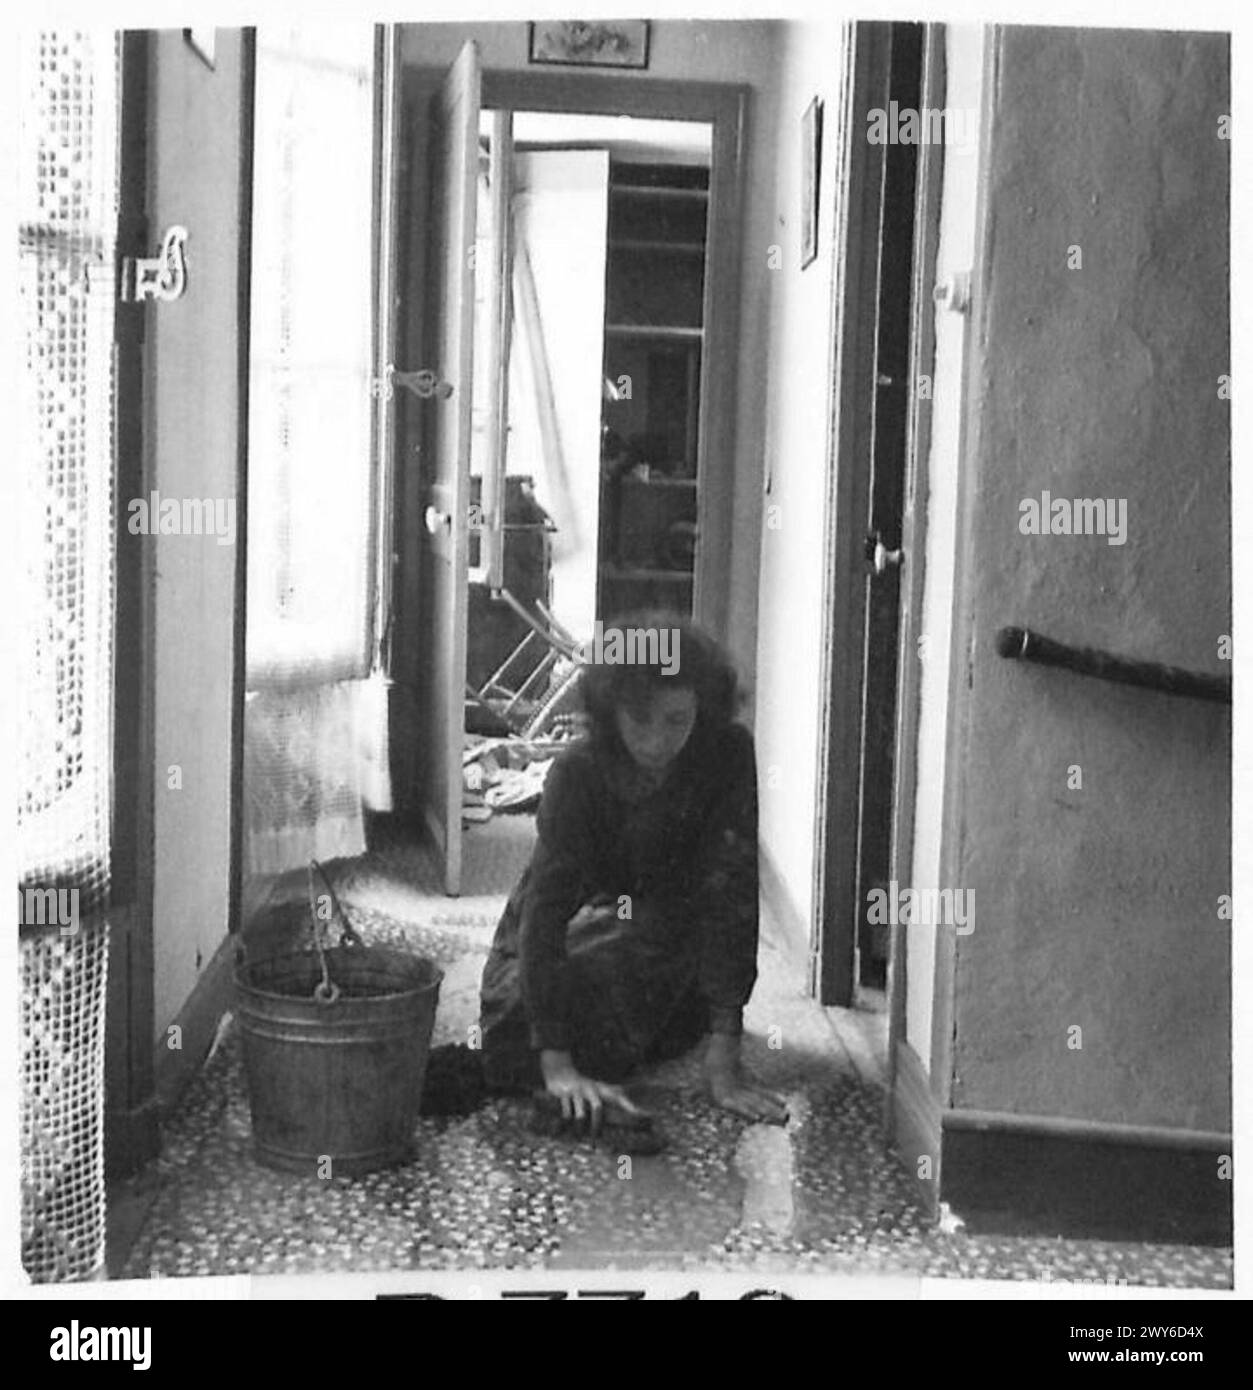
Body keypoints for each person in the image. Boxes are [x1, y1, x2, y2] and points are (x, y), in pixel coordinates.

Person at [476, 610, 787, 1136]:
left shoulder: (727, 755)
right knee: (514, 1023)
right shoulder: (577, 771)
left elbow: (731, 895)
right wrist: (557, 1065)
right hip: (570, 917)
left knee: (640, 999)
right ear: (611, 711)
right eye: (639, 720)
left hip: (664, 925)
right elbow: (544, 915)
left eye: (676, 721)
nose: (657, 741)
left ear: (702, 711)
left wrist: (725, 1051)